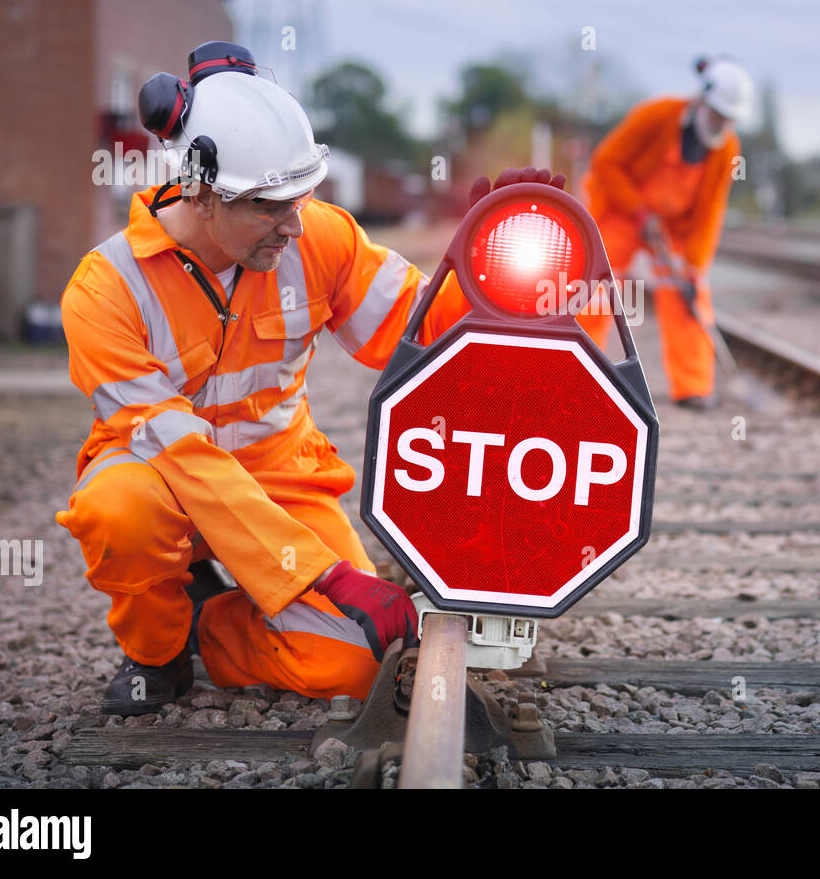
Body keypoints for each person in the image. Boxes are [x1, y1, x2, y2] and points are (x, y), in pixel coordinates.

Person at [56, 41, 563, 714]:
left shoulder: (313, 237)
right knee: (120, 509)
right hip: (165, 482)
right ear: (203, 189)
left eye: (302, 198)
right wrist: (325, 573)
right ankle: (158, 651)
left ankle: (207, 624)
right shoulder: (106, 289)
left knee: (355, 662)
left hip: (280, 475)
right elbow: (176, 451)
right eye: (271, 206)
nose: (293, 224)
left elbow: (423, 337)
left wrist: (485, 271)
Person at [577, 57, 753, 407]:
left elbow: (709, 213)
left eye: (728, 119)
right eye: (717, 114)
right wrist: (638, 210)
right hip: (622, 211)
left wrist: (694, 266)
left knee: (687, 293)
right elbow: (606, 162)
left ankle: (693, 388)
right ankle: (574, 370)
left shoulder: (726, 150)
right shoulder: (655, 116)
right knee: (595, 285)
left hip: (671, 226)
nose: (721, 123)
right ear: (701, 101)